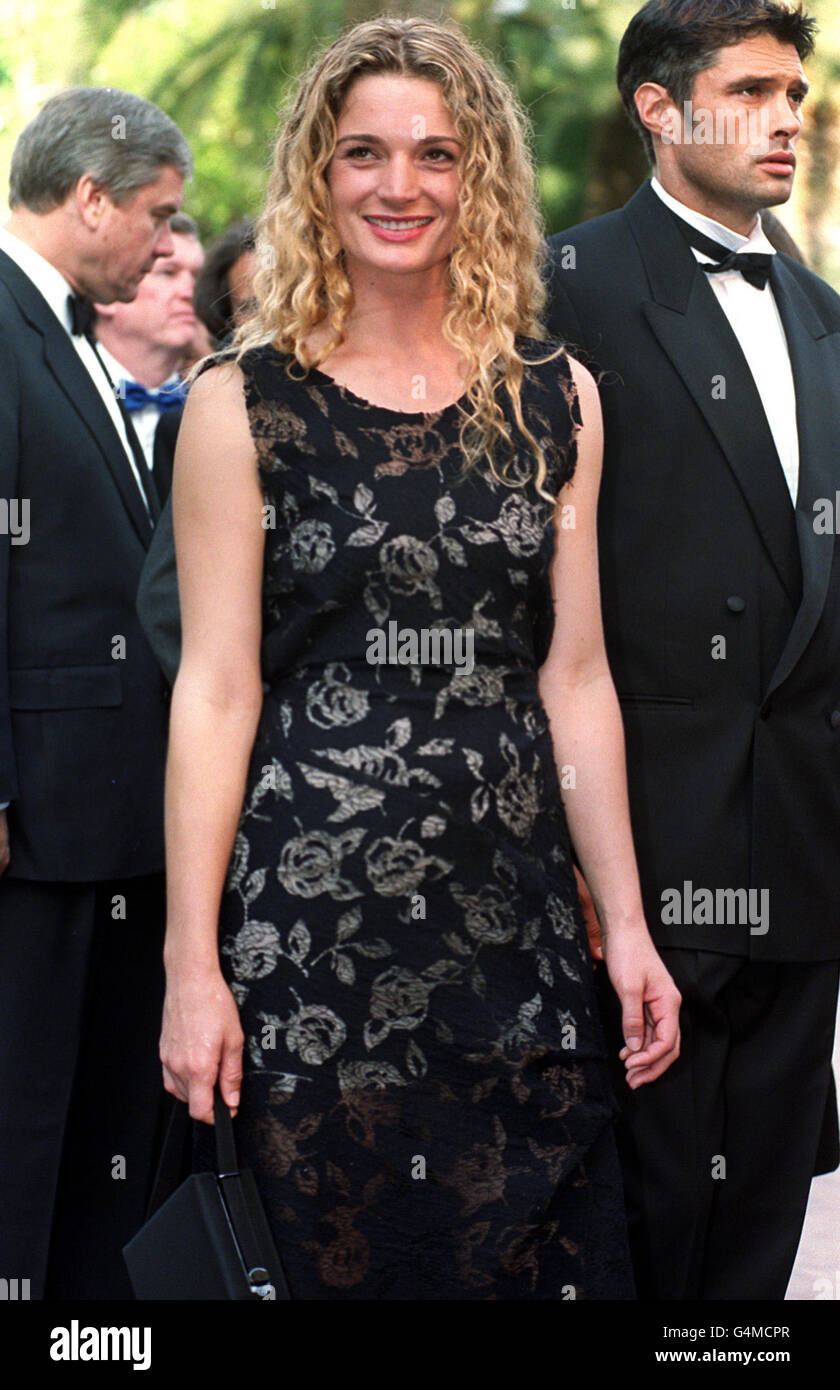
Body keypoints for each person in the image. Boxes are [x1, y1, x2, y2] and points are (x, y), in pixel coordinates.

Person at [152, 15, 681, 1301]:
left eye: (438, 155)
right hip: (312, 945)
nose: (401, 186)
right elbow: (217, 690)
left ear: (482, 177)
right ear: (316, 176)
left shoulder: (558, 397)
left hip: (518, 937)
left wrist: (626, 927)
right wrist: (188, 961)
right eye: (365, 154)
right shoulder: (240, 403)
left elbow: (577, 679)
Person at [545, 0, 840, 1301]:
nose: (791, 119)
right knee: (637, 1229)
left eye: (800, 94)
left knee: (760, 1239)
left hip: (803, 854)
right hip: (636, 856)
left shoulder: (828, 316)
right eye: (756, 90)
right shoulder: (560, 292)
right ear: (657, 109)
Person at [0, 85, 191, 1299]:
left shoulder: (61, 330)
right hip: (37, 830)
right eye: (158, 218)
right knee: (21, 1126)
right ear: (88, 200)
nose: (171, 245)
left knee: (89, 1133)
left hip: (106, 821)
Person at [94, 211, 204, 502]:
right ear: (107, 293)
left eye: (196, 276)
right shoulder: (55, 393)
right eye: (168, 272)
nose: (189, 290)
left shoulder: (218, 403)